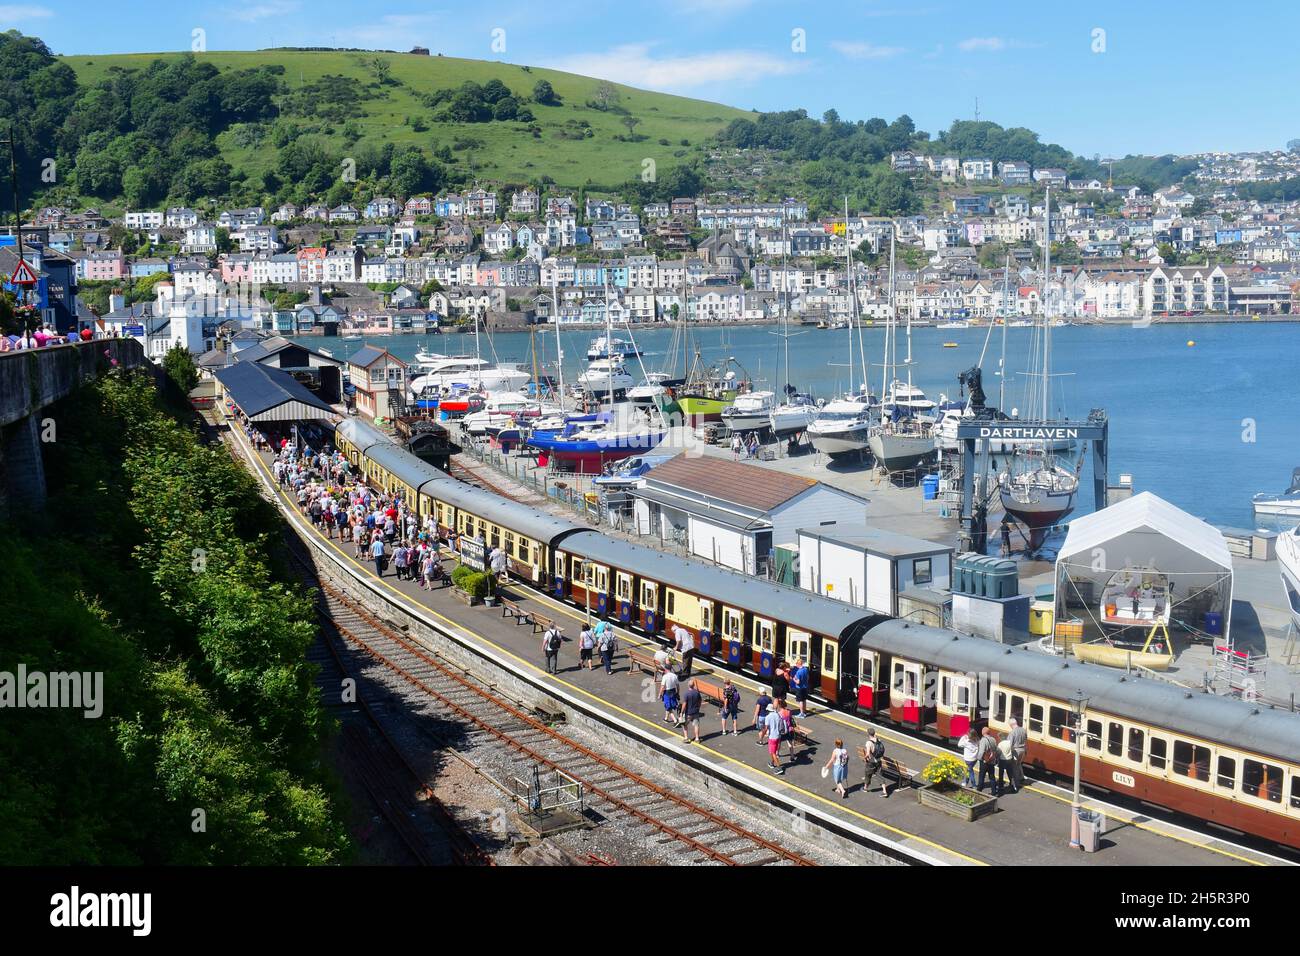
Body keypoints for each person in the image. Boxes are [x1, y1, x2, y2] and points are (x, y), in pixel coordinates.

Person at [862, 728, 889, 797]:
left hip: (871, 762)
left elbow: (868, 754)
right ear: (874, 733)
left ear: (868, 734)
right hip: (879, 761)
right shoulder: (878, 740)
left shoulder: (869, 743)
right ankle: (884, 791)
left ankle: (865, 788)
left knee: (868, 774)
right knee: (879, 775)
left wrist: (864, 758)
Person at [763, 704, 785, 775]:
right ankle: (772, 763)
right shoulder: (778, 715)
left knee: (773, 753)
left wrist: (763, 735)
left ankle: (779, 767)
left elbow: (766, 728)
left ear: (768, 710)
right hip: (778, 736)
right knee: (774, 751)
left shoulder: (768, 717)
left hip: (772, 737)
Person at [976, 726, 999, 792]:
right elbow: (996, 749)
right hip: (991, 760)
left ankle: (979, 789)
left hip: (984, 761)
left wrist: (979, 758)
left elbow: (981, 752)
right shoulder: (993, 739)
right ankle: (994, 791)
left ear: (983, 732)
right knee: (992, 776)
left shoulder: (983, 740)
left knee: (982, 775)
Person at [1007, 717, 1028, 790]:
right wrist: (1026, 750)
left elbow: (1009, 744)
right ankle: (1022, 777)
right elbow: (1026, 740)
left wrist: (1008, 753)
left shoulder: (1012, 732)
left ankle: (1016, 783)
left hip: (1016, 751)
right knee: (1019, 764)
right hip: (1023, 750)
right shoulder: (1023, 730)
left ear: (1011, 725)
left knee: (1014, 767)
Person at [995, 732, 1015, 796]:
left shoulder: (1000, 744)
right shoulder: (1010, 742)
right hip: (1009, 759)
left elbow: (998, 752)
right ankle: (1013, 785)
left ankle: (1001, 786)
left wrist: (997, 758)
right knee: (1010, 773)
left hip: (1002, 760)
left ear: (1000, 737)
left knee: (1001, 773)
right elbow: (1013, 750)